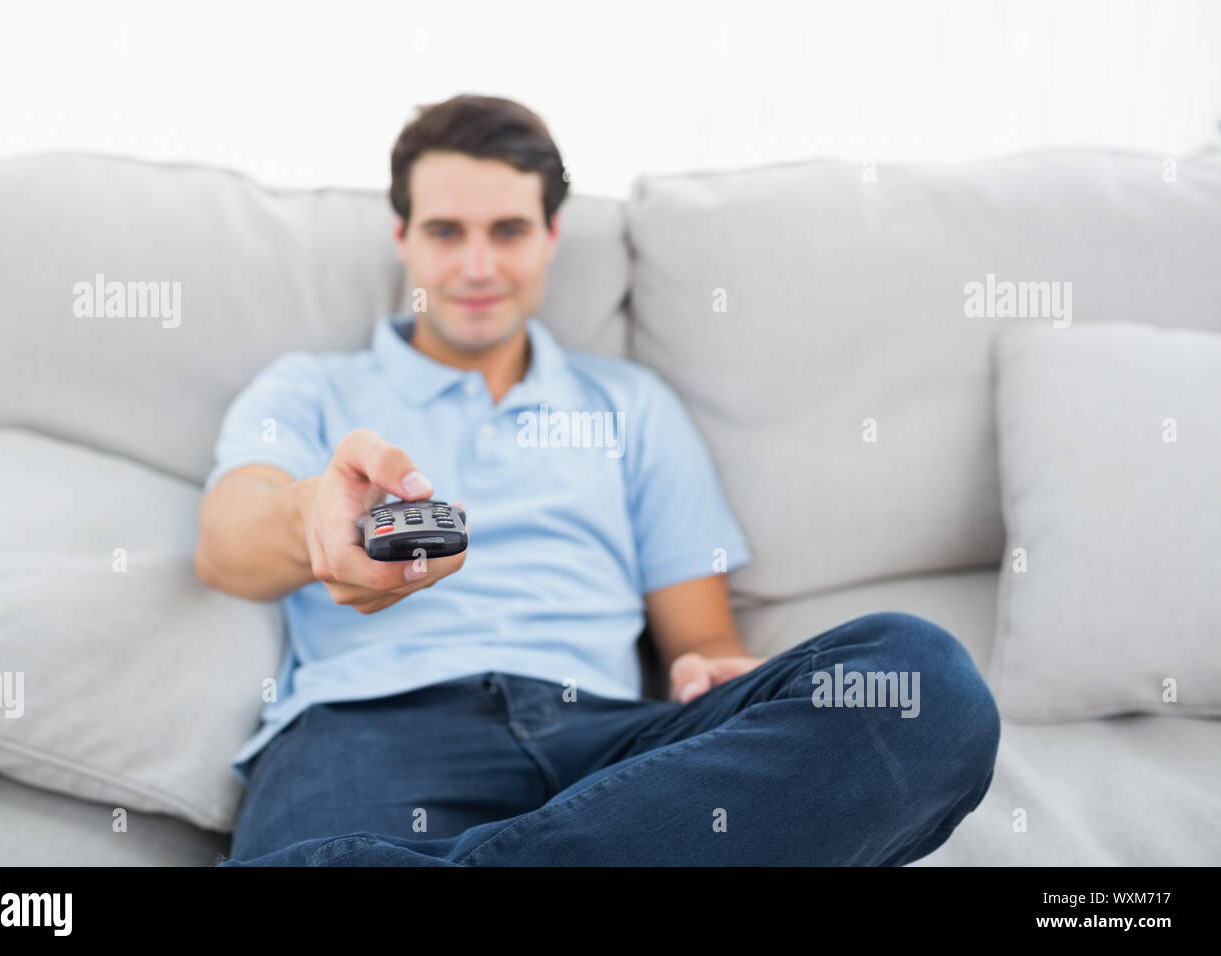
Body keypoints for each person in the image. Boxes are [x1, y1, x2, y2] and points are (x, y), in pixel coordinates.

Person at [195, 93, 1000, 866]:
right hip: (368, 733)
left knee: (917, 685)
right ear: (403, 237)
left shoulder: (632, 406)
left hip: (615, 754)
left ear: (550, 235)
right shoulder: (308, 388)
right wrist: (311, 519)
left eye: (508, 230)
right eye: (446, 232)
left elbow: (703, 639)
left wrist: (704, 666)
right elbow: (227, 545)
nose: (478, 267)